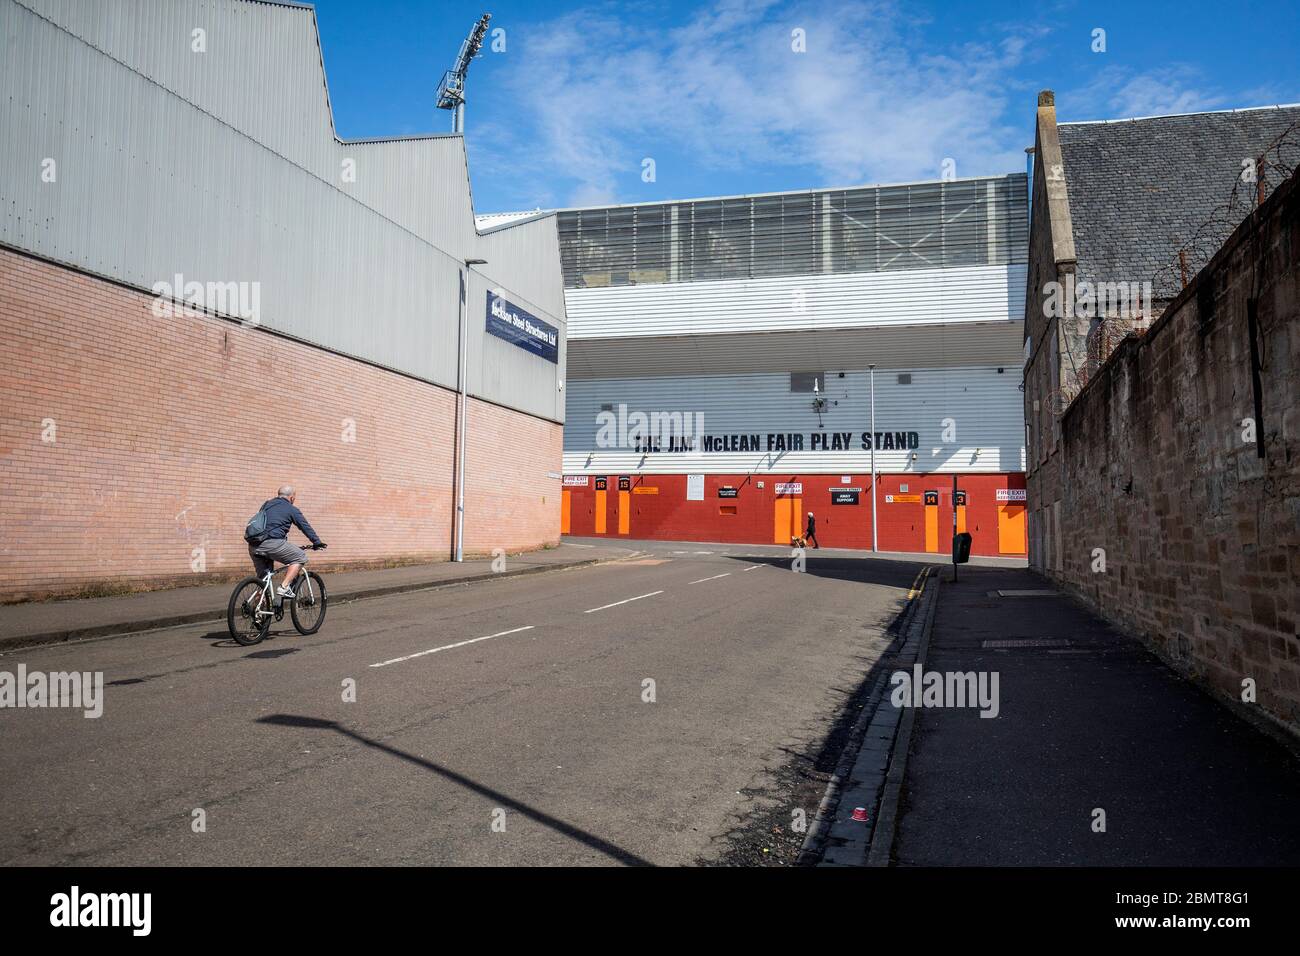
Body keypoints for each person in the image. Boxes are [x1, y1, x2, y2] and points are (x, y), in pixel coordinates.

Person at [247, 485, 325, 600]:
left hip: (254, 545)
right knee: (300, 557)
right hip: (273, 544)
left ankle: (258, 610)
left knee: (263, 579)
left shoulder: (266, 504)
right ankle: (284, 587)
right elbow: (305, 526)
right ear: (292, 497)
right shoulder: (291, 509)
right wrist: (317, 542)